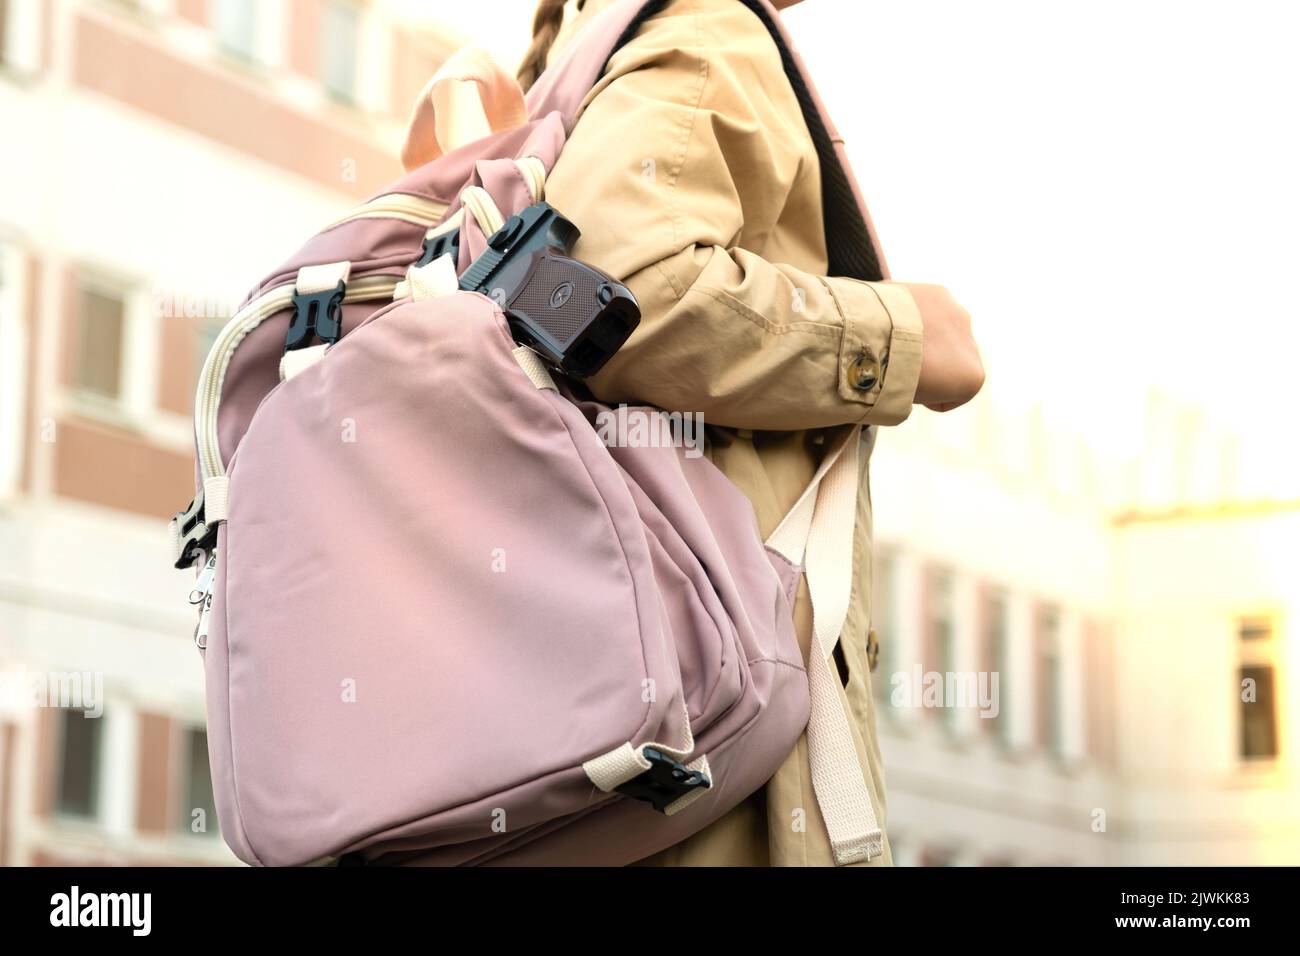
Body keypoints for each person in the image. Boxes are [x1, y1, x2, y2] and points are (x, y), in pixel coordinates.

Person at [519, 0, 984, 865]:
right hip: (710, 759)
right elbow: (608, 294)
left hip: (631, 731)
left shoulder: (570, 64)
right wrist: (901, 336)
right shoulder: (706, 30)